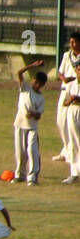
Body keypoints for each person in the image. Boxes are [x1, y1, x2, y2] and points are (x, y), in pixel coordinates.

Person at [12, 60, 47, 184]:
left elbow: (39, 115)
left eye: (40, 84)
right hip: (19, 124)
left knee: (32, 151)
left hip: (32, 127)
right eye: (36, 82)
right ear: (33, 80)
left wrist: (33, 114)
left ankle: (32, 177)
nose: (37, 85)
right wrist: (32, 65)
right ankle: (20, 175)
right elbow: (19, 72)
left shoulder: (41, 97)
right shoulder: (25, 88)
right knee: (20, 152)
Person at [51, 32, 80, 164]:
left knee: (72, 124)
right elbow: (61, 72)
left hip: (76, 91)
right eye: (71, 42)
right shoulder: (67, 55)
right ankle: (66, 149)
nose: (72, 45)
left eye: (75, 42)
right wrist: (64, 79)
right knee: (61, 121)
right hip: (65, 90)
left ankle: (73, 154)